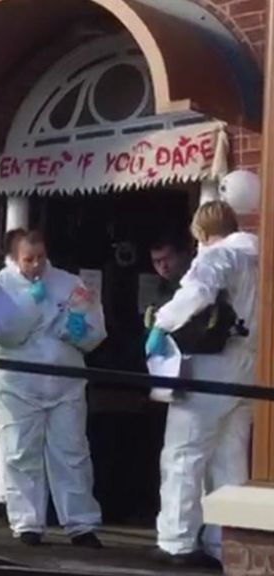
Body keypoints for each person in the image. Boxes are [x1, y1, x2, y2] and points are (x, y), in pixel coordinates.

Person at [146, 200, 258, 567]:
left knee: (184, 453)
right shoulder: (261, 256)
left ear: (203, 233)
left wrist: (161, 323)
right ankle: (223, 542)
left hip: (210, 365)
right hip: (249, 366)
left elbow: (196, 293)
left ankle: (176, 541)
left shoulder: (216, 256)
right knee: (231, 459)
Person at [0, 229, 106, 548]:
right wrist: (29, 304)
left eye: (40, 256)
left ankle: (81, 524)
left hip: (64, 382)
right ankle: (28, 523)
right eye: (29, 259)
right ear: (14, 257)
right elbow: (4, 336)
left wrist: (77, 330)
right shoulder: (1, 287)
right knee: (20, 451)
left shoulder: (69, 284)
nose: (36, 264)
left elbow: (95, 333)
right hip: (16, 384)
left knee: (72, 452)